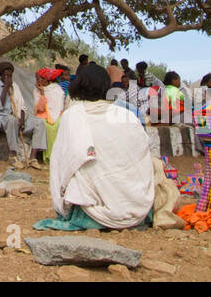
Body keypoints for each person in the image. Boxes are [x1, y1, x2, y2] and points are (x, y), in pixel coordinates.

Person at [45, 63, 158, 230]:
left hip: (91, 207)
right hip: (135, 205)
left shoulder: (73, 115)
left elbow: (62, 161)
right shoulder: (125, 114)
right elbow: (143, 151)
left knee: (77, 165)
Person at [0, 61, 46, 169]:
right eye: (5, 75)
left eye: (10, 75)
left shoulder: (15, 86)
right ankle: (13, 156)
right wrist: (5, 88)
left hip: (17, 117)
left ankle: (33, 158)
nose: (8, 78)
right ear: (0, 75)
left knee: (39, 123)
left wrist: (22, 119)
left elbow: (22, 106)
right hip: (1, 118)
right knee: (11, 120)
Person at [35, 68, 67, 161]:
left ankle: (59, 157)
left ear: (46, 79)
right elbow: (40, 109)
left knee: (59, 125)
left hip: (58, 115)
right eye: (37, 79)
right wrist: (42, 92)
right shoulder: (36, 91)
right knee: (45, 126)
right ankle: (49, 157)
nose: (38, 81)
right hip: (43, 115)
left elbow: (60, 107)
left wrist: (55, 118)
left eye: (40, 78)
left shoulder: (57, 89)